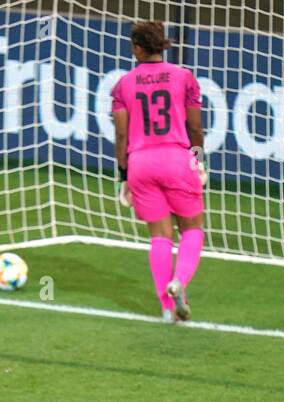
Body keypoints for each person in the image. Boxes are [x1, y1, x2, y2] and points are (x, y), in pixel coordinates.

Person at [111, 20, 206, 323]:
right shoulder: (184, 77)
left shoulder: (123, 84)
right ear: (162, 44)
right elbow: (195, 127)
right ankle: (179, 283)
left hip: (140, 164)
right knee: (192, 229)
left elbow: (122, 136)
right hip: (177, 159)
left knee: (160, 237)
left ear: (137, 48)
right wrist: (198, 159)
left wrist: (123, 176)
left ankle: (167, 308)